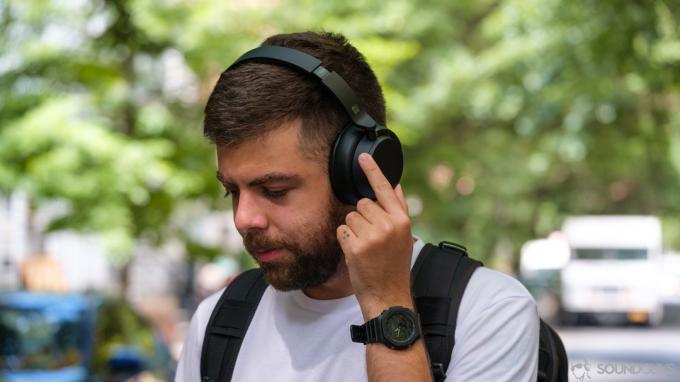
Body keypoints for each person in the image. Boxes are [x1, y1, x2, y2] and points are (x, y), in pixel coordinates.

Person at [176, 31, 539, 381]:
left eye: (274, 190)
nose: (244, 220)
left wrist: (386, 305)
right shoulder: (217, 324)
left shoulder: (488, 312)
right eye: (232, 191)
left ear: (359, 172)